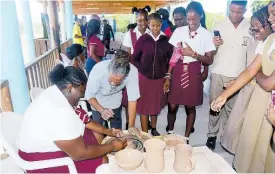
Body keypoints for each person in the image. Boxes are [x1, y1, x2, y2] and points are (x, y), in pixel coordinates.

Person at [17, 64, 127, 173]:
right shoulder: (59, 112)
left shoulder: (58, 91)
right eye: (81, 93)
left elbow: (84, 119)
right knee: (103, 162)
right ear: (70, 88)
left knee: (98, 135)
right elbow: (79, 154)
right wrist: (111, 147)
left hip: (50, 141)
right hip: (39, 159)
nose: (81, 97)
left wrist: (107, 131)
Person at [211, 1, 275, 172]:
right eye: (269, 14)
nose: (270, 18)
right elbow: (250, 70)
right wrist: (224, 96)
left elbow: (268, 82)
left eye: (273, 14)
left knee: (266, 145)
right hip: (259, 98)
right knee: (252, 138)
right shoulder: (269, 40)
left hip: (269, 100)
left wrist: (257, 74)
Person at [164, 1, 215, 141]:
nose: (191, 22)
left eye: (194, 19)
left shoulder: (206, 35)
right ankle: (170, 131)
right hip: (178, 69)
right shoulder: (179, 31)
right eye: (189, 18)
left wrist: (193, 54)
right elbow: (174, 56)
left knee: (190, 107)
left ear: (201, 16)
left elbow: (209, 60)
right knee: (172, 105)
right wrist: (168, 75)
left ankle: (186, 138)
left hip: (193, 70)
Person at [206, 0, 251, 150]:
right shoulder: (219, 25)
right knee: (215, 105)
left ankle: (226, 137)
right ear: (229, 9)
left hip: (239, 75)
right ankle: (211, 135)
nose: (235, 14)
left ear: (244, 11)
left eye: (239, 11)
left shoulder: (250, 26)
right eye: (232, 11)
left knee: (232, 110)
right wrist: (214, 45)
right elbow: (210, 53)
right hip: (219, 71)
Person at [132, 13, 173, 136]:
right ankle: (145, 133)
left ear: (161, 25)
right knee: (144, 106)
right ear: (148, 25)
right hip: (144, 78)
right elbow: (135, 58)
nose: (155, 28)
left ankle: (154, 128)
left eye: (158, 25)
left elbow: (170, 60)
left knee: (155, 105)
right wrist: (142, 69)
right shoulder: (143, 39)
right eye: (152, 25)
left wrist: (167, 77)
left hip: (159, 79)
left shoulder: (166, 41)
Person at [85, 50, 141, 137]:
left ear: (126, 76)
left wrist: (131, 125)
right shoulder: (98, 70)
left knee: (117, 132)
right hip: (97, 100)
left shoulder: (132, 72)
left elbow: (132, 100)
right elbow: (89, 96)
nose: (113, 84)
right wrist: (102, 110)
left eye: (118, 81)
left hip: (115, 100)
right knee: (99, 131)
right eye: (111, 79)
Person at [122, 6, 151, 130]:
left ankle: (146, 126)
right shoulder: (130, 34)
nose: (143, 23)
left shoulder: (152, 32)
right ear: (136, 20)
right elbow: (127, 55)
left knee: (145, 99)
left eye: (145, 20)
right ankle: (130, 124)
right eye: (139, 21)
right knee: (130, 98)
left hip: (148, 71)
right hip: (133, 69)